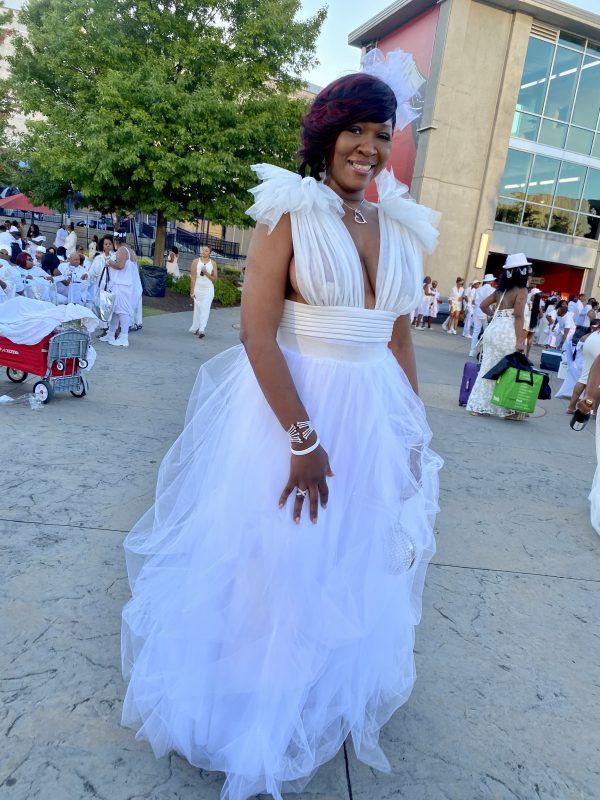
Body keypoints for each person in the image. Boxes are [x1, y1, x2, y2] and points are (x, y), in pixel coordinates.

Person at [121, 50, 442, 800]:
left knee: (346, 562)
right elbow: (256, 334)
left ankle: (310, 695)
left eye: (382, 134)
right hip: (293, 412)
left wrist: (412, 432)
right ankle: (247, 712)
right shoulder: (288, 213)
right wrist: (304, 440)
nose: (369, 147)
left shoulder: (397, 223)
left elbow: (398, 339)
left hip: (373, 417)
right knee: (274, 563)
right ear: (328, 133)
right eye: (356, 130)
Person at [467, 253, 529, 419]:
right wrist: (520, 341)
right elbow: (519, 317)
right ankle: (507, 408)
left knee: (487, 367)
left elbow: (483, 305)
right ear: (522, 271)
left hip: (493, 330)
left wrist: (494, 315)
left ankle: (479, 405)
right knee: (508, 370)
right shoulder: (521, 290)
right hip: (508, 332)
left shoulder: (500, 290)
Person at [98, 231, 141, 347]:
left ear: (116, 241)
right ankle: (111, 334)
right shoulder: (131, 251)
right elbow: (135, 269)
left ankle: (124, 337)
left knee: (122, 311)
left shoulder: (122, 250)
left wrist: (109, 262)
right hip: (124, 284)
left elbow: (120, 266)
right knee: (116, 311)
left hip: (122, 285)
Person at [564, 317, 600, 414]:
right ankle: (591, 410)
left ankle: (571, 407)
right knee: (598, 381)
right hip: (596, 340)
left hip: (593, 337)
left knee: (584, 378)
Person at [189, 245, 218, 337]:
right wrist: (192, 291)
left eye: (206, 251)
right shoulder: (195, 262)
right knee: (198, 309)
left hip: (208, 290)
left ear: (210, 253)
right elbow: (193, 278)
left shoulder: (213, 263)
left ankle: (202, 330)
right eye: (203, 250)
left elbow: (215, 279)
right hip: (198, 289)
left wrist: (206, 273)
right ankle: (195, 328)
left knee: (205, 308)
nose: (204, 252)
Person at [468, 273, 497, 356]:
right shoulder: (492, 290)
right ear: (491, 281)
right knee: (487, 332)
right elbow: (494, 303)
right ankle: (484, 352)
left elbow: (474, 301)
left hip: (477, 311)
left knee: (475, 332)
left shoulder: (478, 290)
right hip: (486, 312)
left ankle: (472, 351)